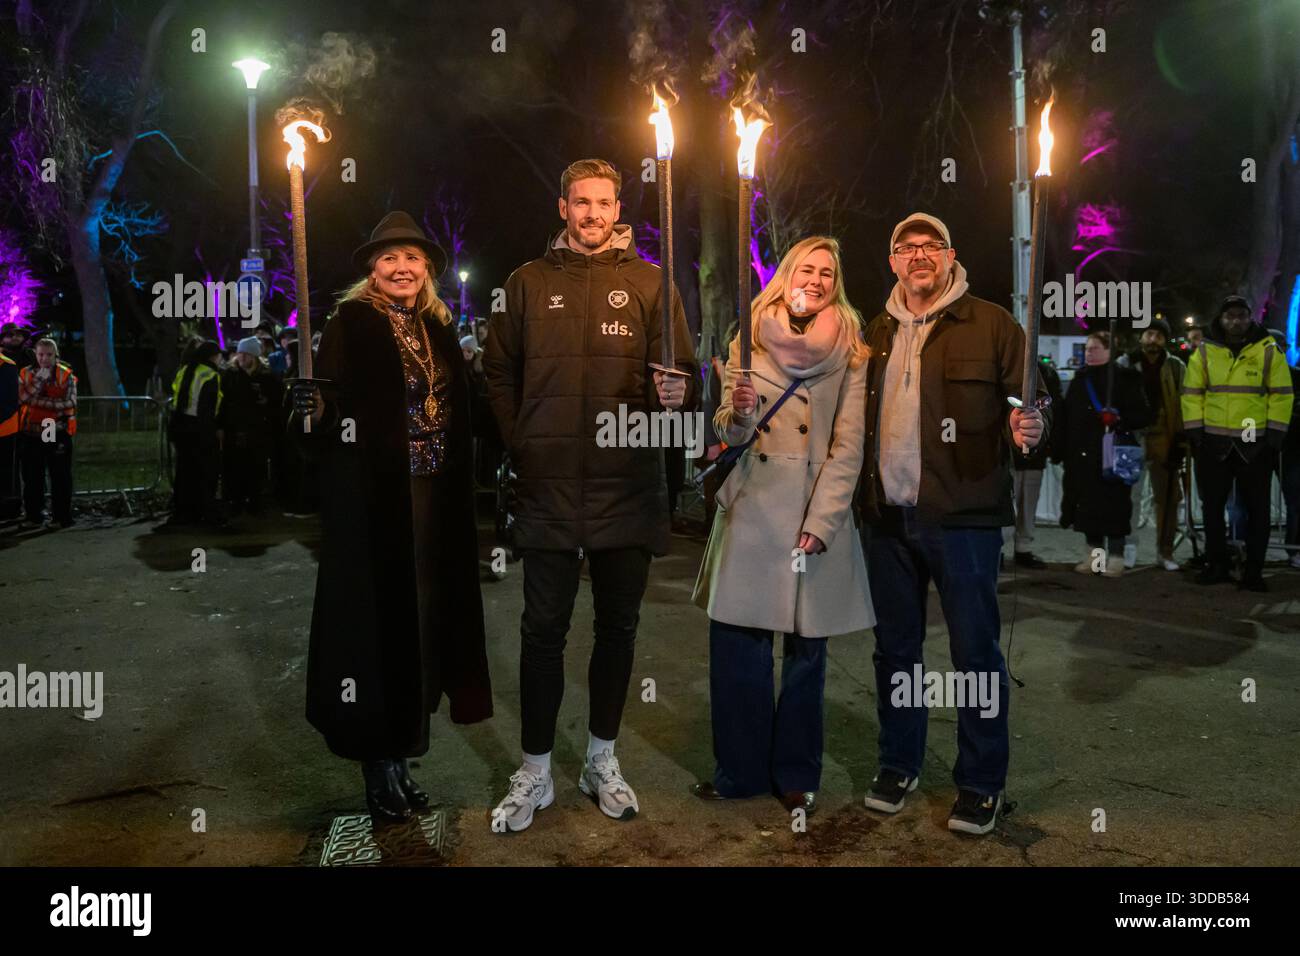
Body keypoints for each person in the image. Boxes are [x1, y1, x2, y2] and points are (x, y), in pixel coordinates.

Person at [483, 157, 697, 832]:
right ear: (563, 207)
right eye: (582, 202)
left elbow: (682, 376)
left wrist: (677, 392)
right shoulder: (525, 282)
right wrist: (522, 440)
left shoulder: (651, 283)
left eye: (605, 202)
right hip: (546, 489)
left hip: (625, 487)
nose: (594, 214)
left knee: (618, 629)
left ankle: (602, 757)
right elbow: (497, 371)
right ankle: (536, 769)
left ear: (618, 208)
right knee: (542, 632)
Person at [290, 211, 493, 824]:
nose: (401, 268)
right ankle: (377, 764)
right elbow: (327, 408)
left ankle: (403, 756)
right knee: (375, 631)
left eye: (412, 259)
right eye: (388, 260)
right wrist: (313, 406)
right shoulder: (350, 322)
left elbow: (464, 408)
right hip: (376, 501)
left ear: (427, 269)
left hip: (433, 501)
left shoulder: (435, 325)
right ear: (372, 272)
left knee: (423, 625)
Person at [857, 213, 1046, 836]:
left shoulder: (991, 323)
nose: (918, 256)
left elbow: (1035, 404)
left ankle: (981, 782)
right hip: (888, 518)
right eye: (906, 247)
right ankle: (897, 763)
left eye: (930, 245)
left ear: (950, 255)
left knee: (975, 654)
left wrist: (1032, 425)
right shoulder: (875, 332)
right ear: (892, 261)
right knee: (897, 653)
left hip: (963, 520)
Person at [691, 236, 872, 816]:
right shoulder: (748, 333)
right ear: (786, 274)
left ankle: (796, 772)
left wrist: (824, 521)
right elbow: (730, 430)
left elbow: (849, 445)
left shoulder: (852, 348)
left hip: (808, 511)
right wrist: (738, 413)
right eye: (806, 268)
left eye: (827, 272)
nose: (815, 279)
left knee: (804, 657)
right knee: (738, 650)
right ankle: (738, 772)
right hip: (752, 507)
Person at [1182, 295, 1293, 591]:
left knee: (1258, 509)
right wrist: (1194, 430)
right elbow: (1192, 392)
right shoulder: (1205, 351)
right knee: (1213, 508)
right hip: (1214, 441)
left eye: (1241, 315)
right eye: (1229, 316)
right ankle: (1216, 564)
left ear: (1250, 318)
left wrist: (1274, 435)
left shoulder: (1269, 350)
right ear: (1221, 319)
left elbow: (1282, 394)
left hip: (1253, 441)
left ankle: (1253, 571)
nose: (1235, 321)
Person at [1058, 330, 1153, 575]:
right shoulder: (1081, 379)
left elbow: (1144, 415)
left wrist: (1119, 418)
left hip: (1113, 454)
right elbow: (1068, 416)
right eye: (1088, 348)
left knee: (1115, 507)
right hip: (1084, 454)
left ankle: (1117, 557)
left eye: (1095, 348)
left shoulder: (1126, 378)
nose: (1089, 353)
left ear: (1110, 351)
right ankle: (1094, 558)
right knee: (1089, 508)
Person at [1116, 319, 1186, 570]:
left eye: (1158, 335)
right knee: (1128, 496)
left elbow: (1183, 404)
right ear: (1141, 337)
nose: (1153, 339)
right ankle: (1128, 547)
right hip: (1131, 437)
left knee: (1167, 497)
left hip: (1163, 436)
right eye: (1149, 334)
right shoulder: (1125, 363)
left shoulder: (1176, 366)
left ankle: (1165, 552)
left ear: (1165, 339)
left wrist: (1180, 439)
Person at [1006, 356, 1062, 568]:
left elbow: (1055, 410)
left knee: (1027, 502)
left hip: (1035, 454)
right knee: (1010, 501)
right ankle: (1007, 547)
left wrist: (1052, 445)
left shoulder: (1046, 374)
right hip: (1010, 455)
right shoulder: (1008, 368)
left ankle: (1023, 547)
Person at [17, 338, 78, 528]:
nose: (44, 358)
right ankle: (34, 517)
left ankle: (61, 517)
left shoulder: (64, 374)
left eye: (49, 354)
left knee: (58, 474)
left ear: (56, 355)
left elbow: (70, 403)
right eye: (41, 354)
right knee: (32, 476)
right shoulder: (26, 373)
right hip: (30, 430)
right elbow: (22, 397)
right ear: (35, 354)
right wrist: (40, 378)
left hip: (51, 427)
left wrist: (37, 402)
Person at [167, 340, 225, 527]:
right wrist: (212, 433)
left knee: (184, 472)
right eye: (219, 355)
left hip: (180, 426)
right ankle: (206, 514)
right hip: (200, 429)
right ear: (213, 356)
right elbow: (206, 409)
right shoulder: (210, 374)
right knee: (205, 473)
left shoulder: (185, 369)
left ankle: (184, 512)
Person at [219, 337, 279, 516]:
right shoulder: (229, 375)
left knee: (256, 467)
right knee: (235, 467)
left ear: (255, 356)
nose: (242, 357)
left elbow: (277, 400)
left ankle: (255, 502)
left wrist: (267, 401)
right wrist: (220, 426)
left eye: (246, 354)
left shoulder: (266, 376)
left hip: (257, 428)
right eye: (240, 353)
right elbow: (222, 402)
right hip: (234, 428)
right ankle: (236, 502)